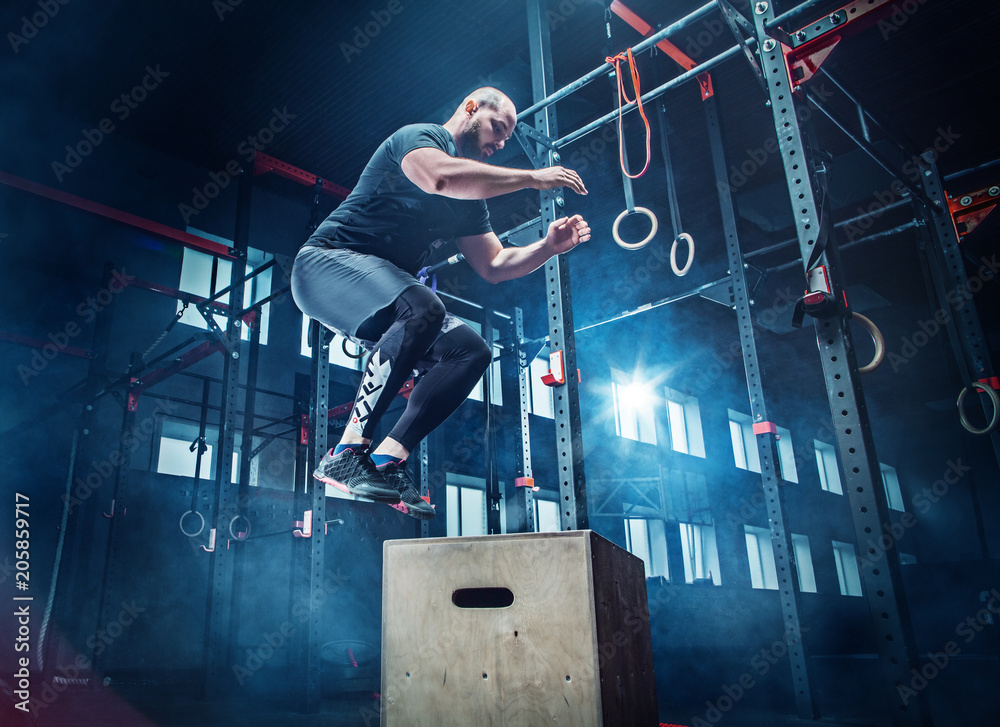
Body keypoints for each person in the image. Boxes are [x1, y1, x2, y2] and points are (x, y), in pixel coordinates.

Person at [290, 87, 590, 519]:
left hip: (378, 295)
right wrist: (532, 176)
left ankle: (387, 459)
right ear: (470, 109)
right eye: (497, 128)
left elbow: (495, 263)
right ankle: (346, 451)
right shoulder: (419, 139)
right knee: (423, 307)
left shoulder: (470, 204)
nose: (501, 143)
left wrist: (547, 247)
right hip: (325, 266)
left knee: (470, 350)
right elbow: (440, 178)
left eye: (507, 138)